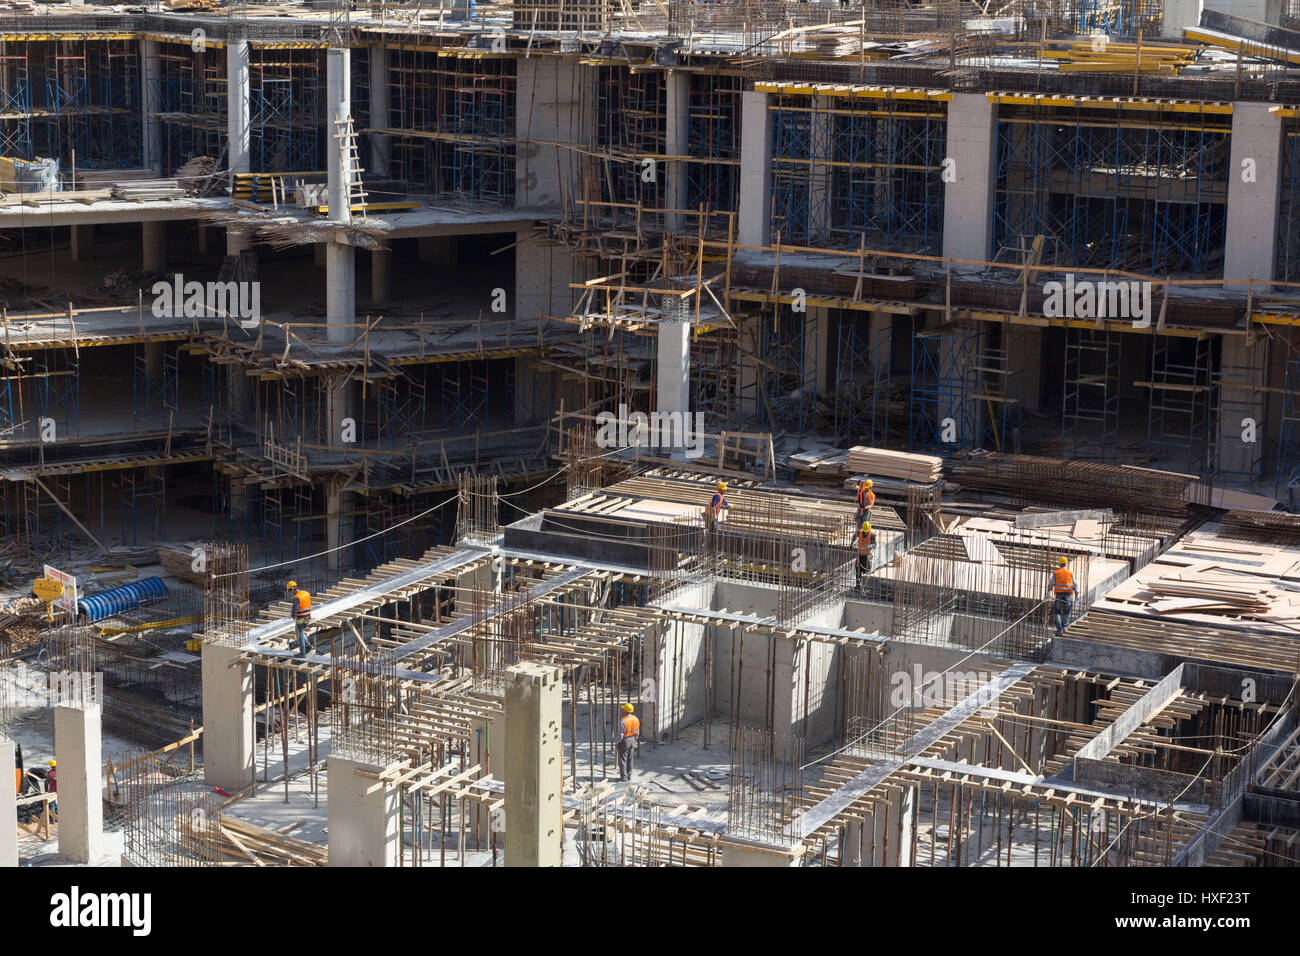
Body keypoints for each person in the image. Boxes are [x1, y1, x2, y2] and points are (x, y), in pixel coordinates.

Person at [1052, 557, 1077, 636]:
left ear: (1060, 564)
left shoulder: (1056, 572)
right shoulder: (1070, 573)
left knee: (1057, 612)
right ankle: (1064, 627)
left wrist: (1048, 591)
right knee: (1066, 612)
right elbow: (1075, 585)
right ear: (1066, 564)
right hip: (1068, 595)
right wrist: (1077, 594)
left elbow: (1051, 583)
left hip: (1059, 595)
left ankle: (1059, 629)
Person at [616, 703, 639, 781]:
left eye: (623, 709)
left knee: (622, 759)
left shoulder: (623, 721)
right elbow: (637, 732)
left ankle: (624, 777)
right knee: (630, 758)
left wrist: (617, 743)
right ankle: (629, 775)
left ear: (626, 711)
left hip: (625, 741)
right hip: (633, 740)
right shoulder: (636, 719)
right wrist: (635, 740)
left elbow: (620, 735)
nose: (622, 710)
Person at [287, 581, 312, 654]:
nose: (290, 592)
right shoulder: (306, 593)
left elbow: (294, 609)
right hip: (308, 616)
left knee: (300, 634)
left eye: (290, 591)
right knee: (300, 632)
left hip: (301, 617)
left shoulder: (297, 598)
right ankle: (308, 646)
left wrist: (292, 616)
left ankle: (302, 652)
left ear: (292, 589)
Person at [854, 520, 875, 590]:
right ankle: (857, 585)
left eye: (867, 530)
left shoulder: (872, 535)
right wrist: (853, 542)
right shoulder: (859, 532)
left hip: (867, 556)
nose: (866, 532)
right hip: (859, 555)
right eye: (865, 530)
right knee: (858, 571)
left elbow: (875, 545)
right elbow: (854, 537)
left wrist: (870, 546)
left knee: (866, 571)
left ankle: (865, 587)